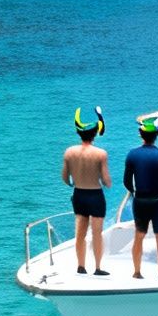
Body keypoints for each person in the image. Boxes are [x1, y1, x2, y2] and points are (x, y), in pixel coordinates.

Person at [123, 116, 158, 280]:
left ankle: (137, 272)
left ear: (141, 134)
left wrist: (134, 193)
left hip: (140, 201)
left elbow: (126, 181)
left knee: (139, 235)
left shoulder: (132, 155)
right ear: (156, 136)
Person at [63, 107, 111, 275]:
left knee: (80, 233)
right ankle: (97, 268)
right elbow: (107, 181)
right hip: (95, 196)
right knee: (97, 233)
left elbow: (65, 178)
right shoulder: (100, 153)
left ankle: (81, 266)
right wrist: (106, 183)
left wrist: (74, 182)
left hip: (79, 195)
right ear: (94, 135)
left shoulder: (69, 152)